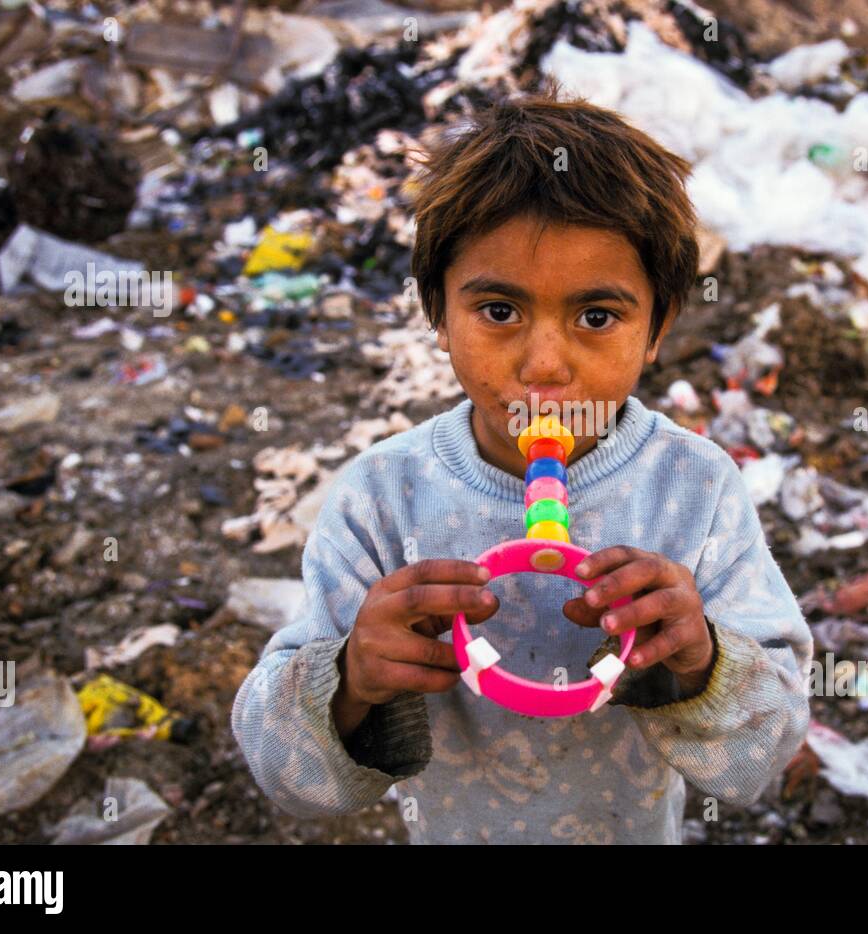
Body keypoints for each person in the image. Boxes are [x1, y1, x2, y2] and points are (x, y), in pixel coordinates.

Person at [232, 87, 813, 844]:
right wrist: (350, 680)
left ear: (658, 328)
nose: (544, 365)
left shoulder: (695, 488)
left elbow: (759, 762)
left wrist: (702, 664)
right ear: (438, 314)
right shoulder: (383, 498)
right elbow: (289, 779)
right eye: (498, 311)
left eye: (596, 318)